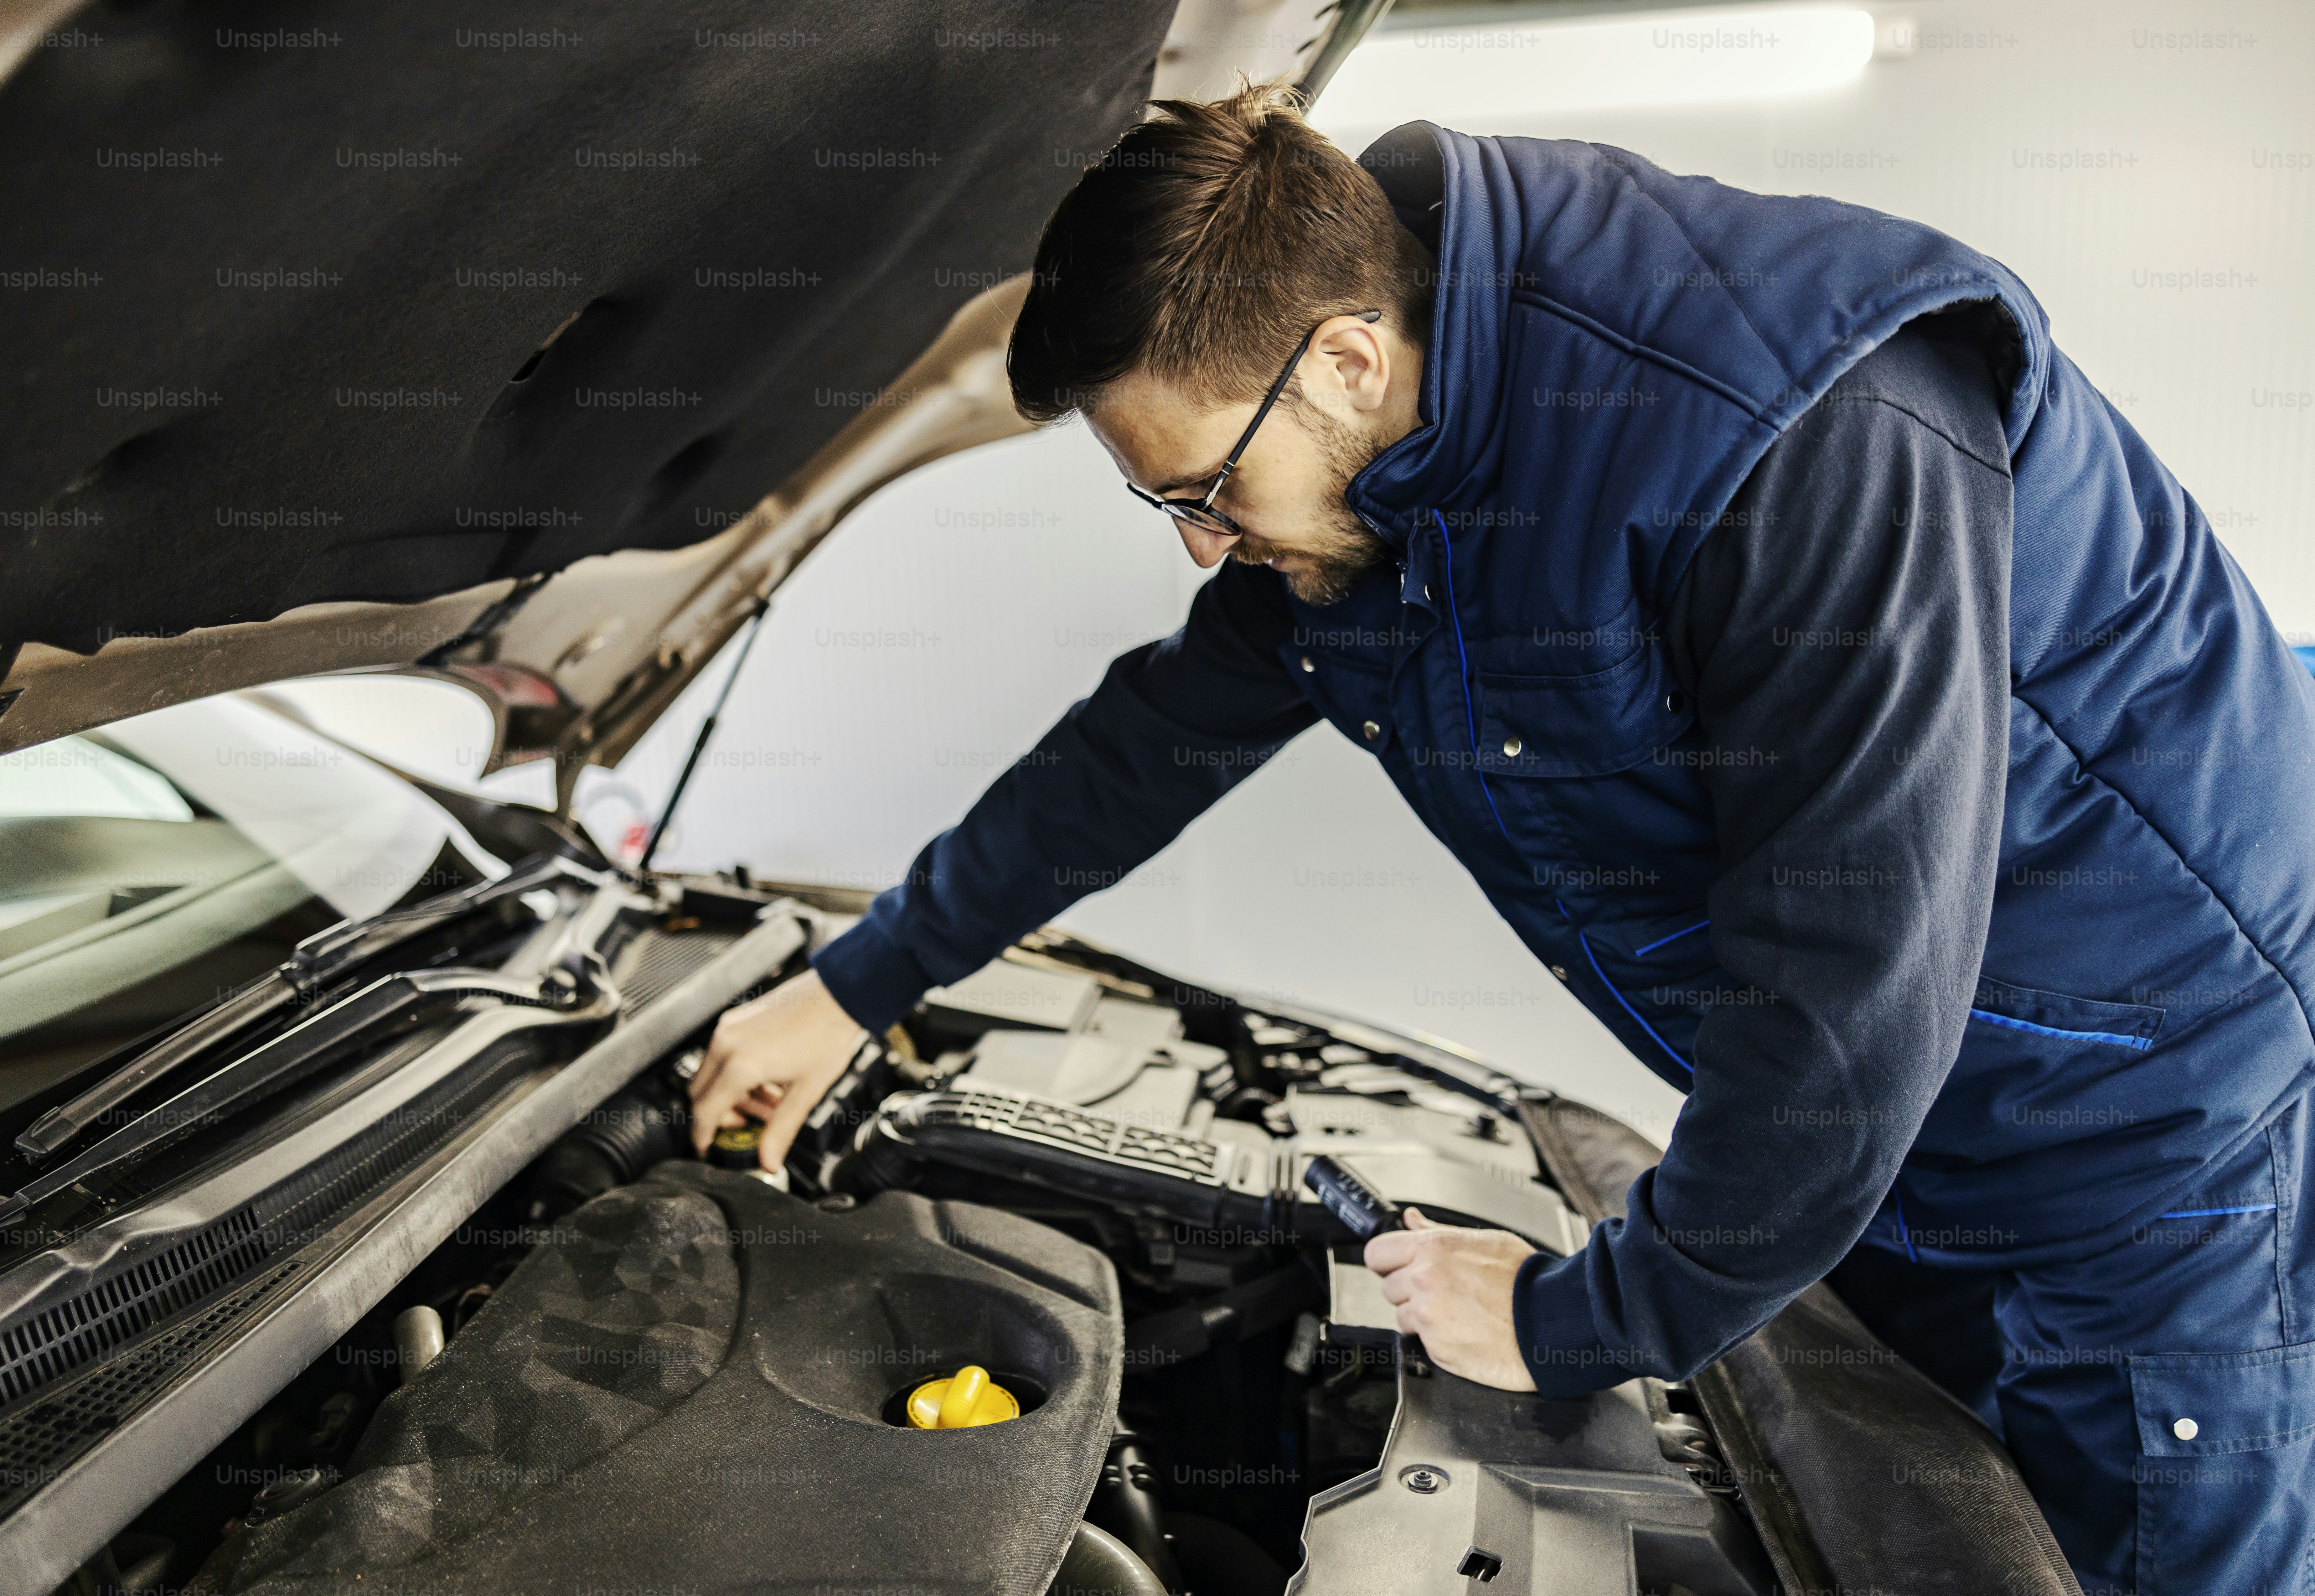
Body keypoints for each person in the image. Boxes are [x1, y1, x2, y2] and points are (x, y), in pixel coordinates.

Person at [688, 84, 2315, 1595]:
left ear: (1339, 359)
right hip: (1900, 1118)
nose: (1198, 548)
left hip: (2130, 1113)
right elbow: (1151, 741)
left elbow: (1851, 974)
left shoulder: (1792, 428)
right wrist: (856, 982)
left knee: (2132, 1555)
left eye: (1199, 489)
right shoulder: (1390, 450)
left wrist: (1584, 1317)